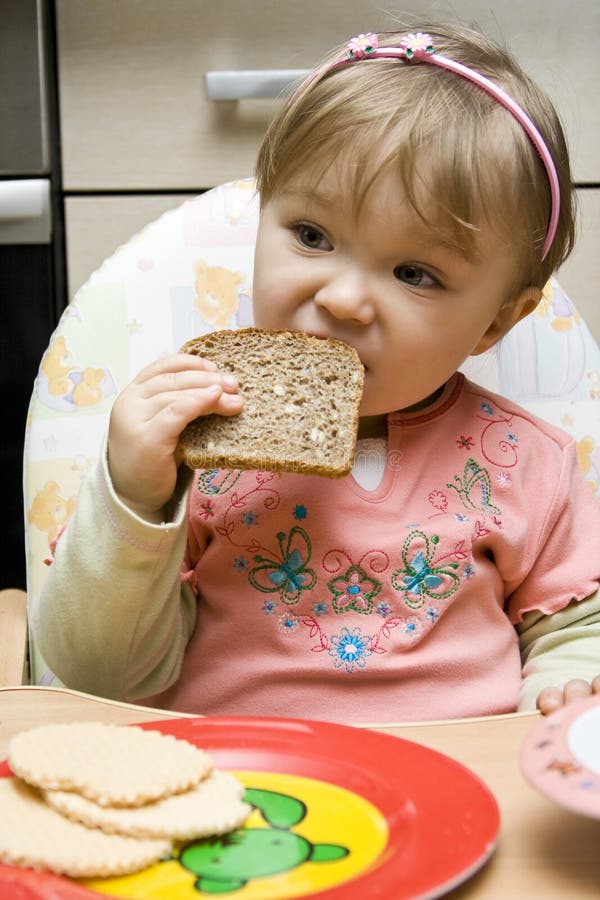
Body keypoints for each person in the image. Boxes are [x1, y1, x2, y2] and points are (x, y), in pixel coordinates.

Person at [36, 22, 600, 724]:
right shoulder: (192, 451)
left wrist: (568, 684)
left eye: (414, 273)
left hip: (457, 778)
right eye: (311, 236)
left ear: (496, 322)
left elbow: (578, 630)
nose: (341, 298)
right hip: (239, 773)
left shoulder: (528, 466)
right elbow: (96, 674)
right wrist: (135, 496)